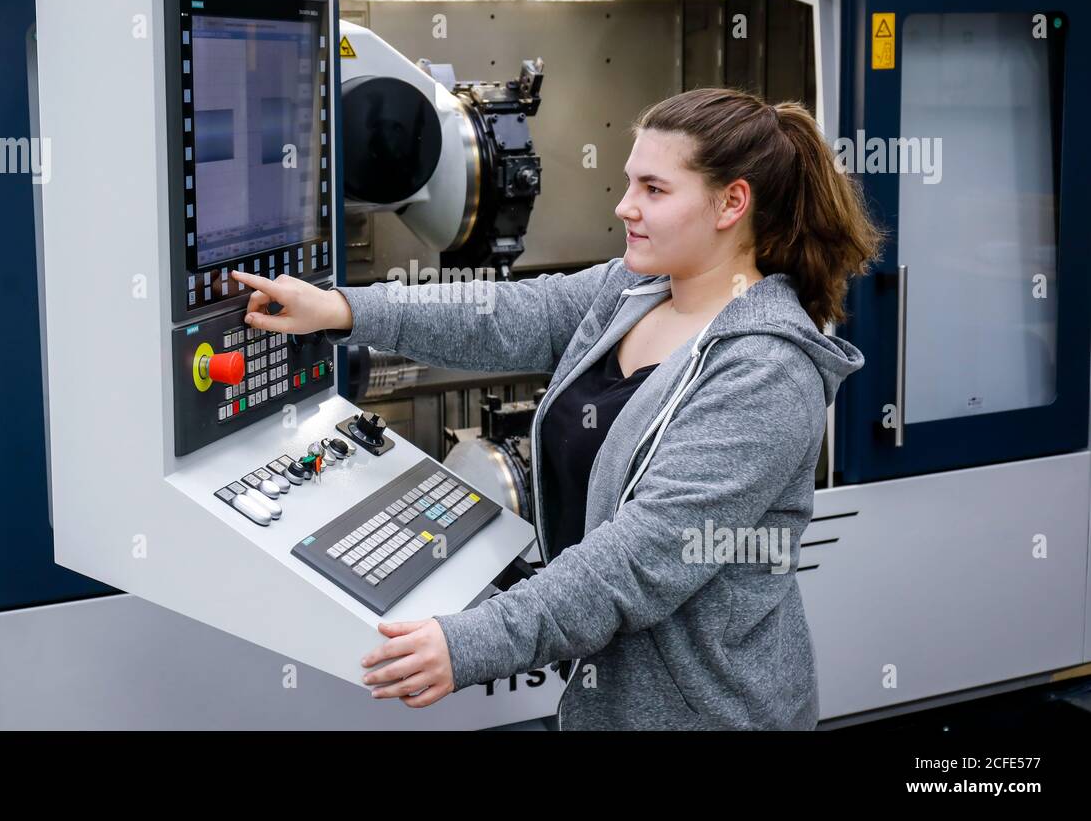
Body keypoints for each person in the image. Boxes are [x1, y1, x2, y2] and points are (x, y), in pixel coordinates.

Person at [231, 87, 882, 729]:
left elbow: (638, 559)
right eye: (629, 182)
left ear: (731, 202)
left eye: (654, 190)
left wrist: (471, 643)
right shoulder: (639, 288)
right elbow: (504, 315)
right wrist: (345, 309)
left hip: (710, 712)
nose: (625, 206)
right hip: (607, 704)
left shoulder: (766, 371)